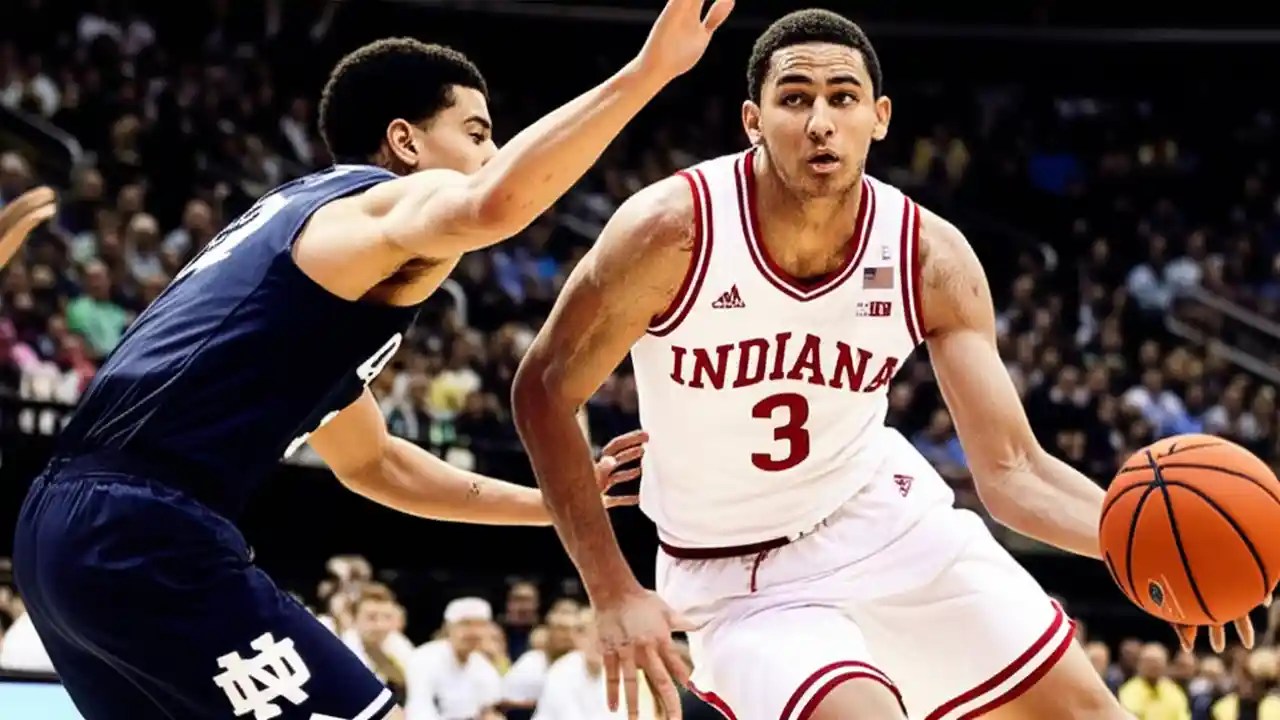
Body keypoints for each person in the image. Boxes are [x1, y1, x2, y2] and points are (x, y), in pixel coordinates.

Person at [511, 9, 1262, 720]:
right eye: (794, 97)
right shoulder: (671, 231)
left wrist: (1150, 546)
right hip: (738, 573)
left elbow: (1014, 471)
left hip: (886, 522)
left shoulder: (926, 255)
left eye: (844, 97)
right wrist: (611, 589)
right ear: (753, 120)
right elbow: (542, 390)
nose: (819, 121)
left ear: (881, 117)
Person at [11, 1, 733, 719]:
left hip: (59, 536)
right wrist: (647, 74)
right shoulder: (369, 204)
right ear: (405, 143)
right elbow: (494, 202)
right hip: (141, 530)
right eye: (478, 134)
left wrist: (552, 508)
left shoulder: (301, 262)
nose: (491, 154)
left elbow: (374, 462)